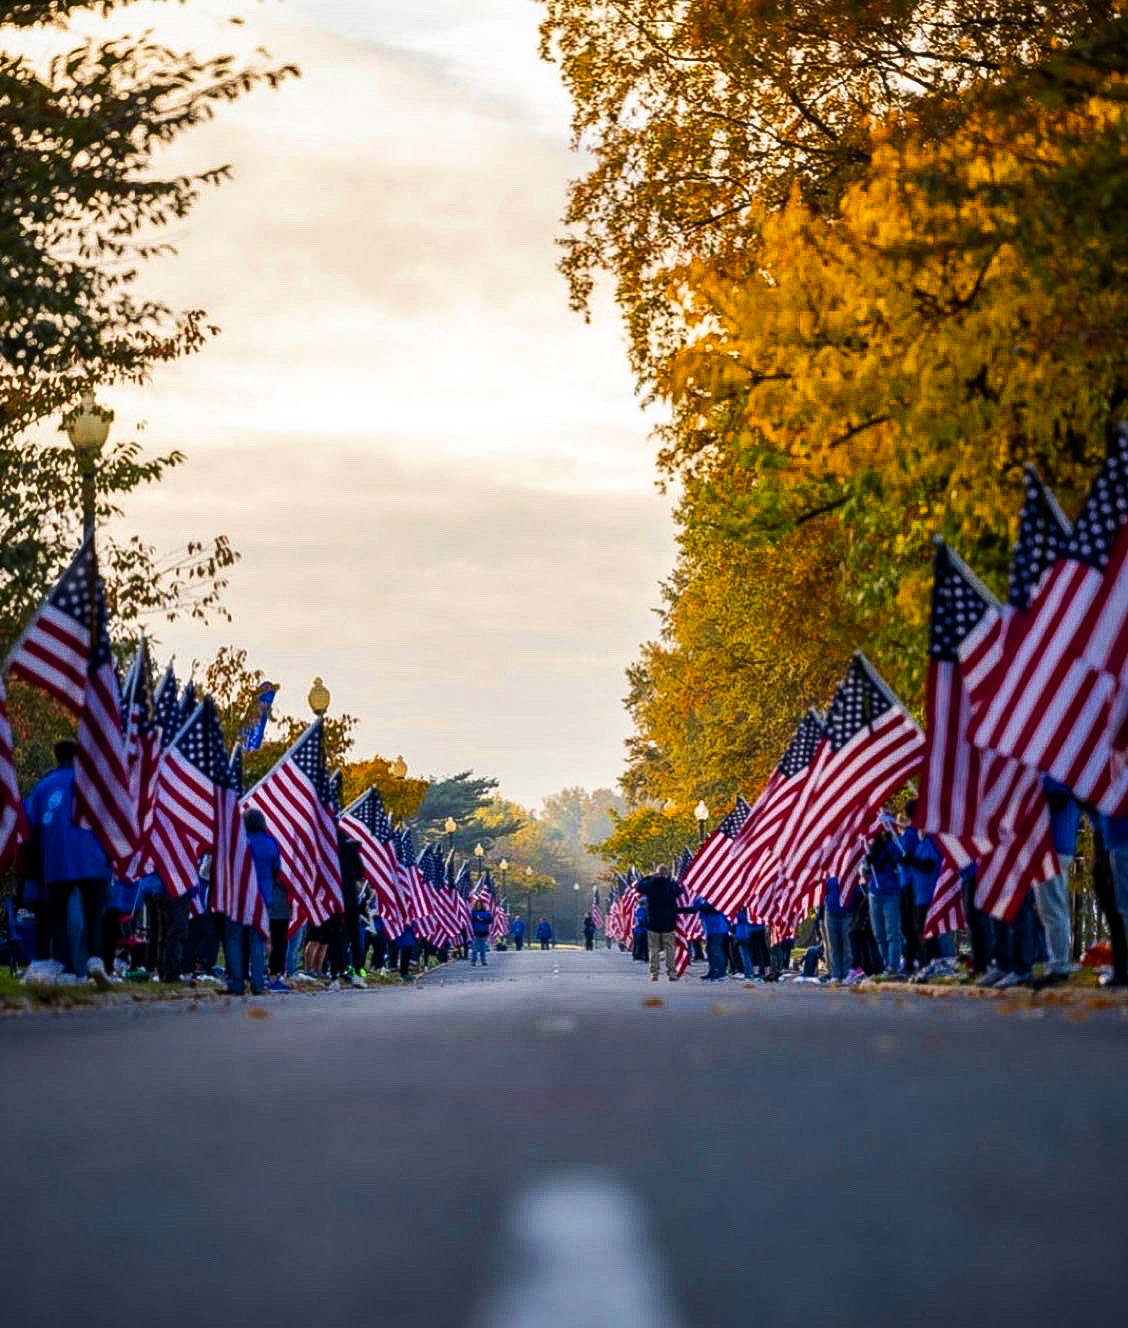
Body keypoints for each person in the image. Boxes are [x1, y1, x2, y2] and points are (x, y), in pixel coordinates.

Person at [22, 740, 113, 988]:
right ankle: (95, 960)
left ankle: (68, 971)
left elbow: (30, 829)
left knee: (59, 919)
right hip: (93, 858)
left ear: (56, 757)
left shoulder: (43, 787)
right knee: (94, 915)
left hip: (57, 862)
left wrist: (33, 871)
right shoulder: (92, 784)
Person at [1031, 776, 1079, 987]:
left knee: (1053, 908)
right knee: (1047, 909)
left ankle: (1059, 965)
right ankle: (1056, 962)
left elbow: (1058, 800)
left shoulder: (1058, 773)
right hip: (1050, 847)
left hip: (1055, 846)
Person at [243, 808, 288, 993]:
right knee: (258, 939)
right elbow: (276, 868)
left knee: (239, 939)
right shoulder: (270, 843)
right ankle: (258, 980)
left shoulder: (241, 841)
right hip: (264, 896)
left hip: (243, 895)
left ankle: (239, 976)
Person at [633, 864, 686, 982]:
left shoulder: (650, 884)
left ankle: (654, 973)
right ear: (667, 873)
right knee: (670, 948)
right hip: (669, 920)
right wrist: (670, 879)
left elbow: (638, 887)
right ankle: (671, 973)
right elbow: (679, 892)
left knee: (653, 948)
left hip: (653, 920)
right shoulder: (671, 885)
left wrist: (648, 877)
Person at [865, 822, 904, 976]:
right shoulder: (872, 848)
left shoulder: (895, 845)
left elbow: (900, 861)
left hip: (892, 894)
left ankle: (893, 966)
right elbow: (866, 871)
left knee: (892, 932)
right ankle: (884, 964)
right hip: (875, 894)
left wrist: (890, 842)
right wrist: (867, 864)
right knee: (879, 933)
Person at [470, 896, 493, 966]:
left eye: (480, 904)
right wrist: (475, 918)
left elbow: (490, 921)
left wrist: (483, 919)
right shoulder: (472, 913)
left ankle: (483, 960)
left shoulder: (486, 913)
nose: (479, 906)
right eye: (477, 905)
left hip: (483, 932)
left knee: (483, 948)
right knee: (474, 948)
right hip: (475, 932)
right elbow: (470, 921)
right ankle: (473, 961)